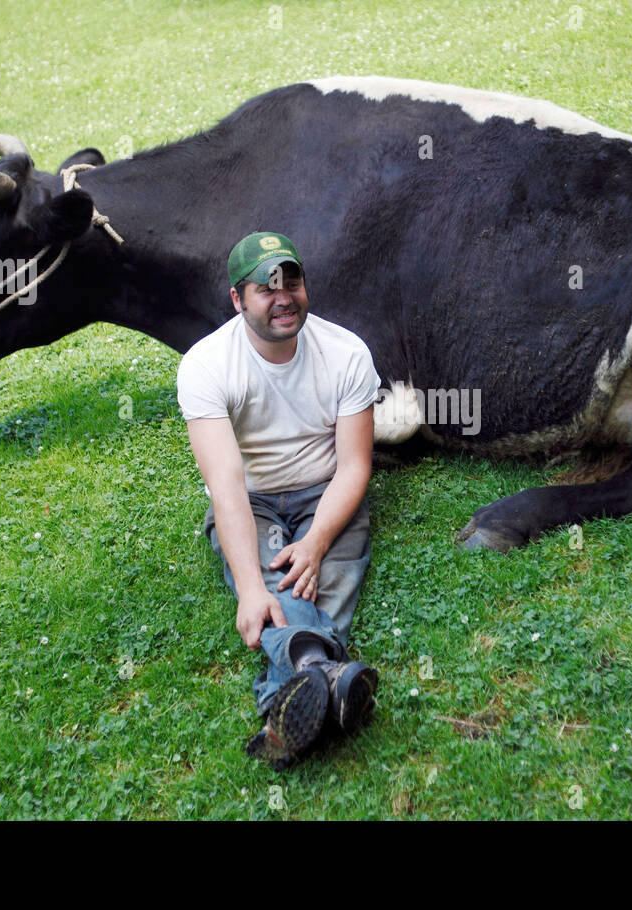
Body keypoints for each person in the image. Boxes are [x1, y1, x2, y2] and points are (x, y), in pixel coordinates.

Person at [177, 231, 381, 771]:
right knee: (273, 586)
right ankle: (327, 676)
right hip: (254, 501)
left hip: (327, 495)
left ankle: (286, 704)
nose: (283, 295)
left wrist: (315, 543)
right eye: (266, 287)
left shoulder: (346, 352)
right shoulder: (206, 365)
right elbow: (225, 485)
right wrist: (247, 588)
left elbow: (356, 465)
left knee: (325, 579)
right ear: (237, 299)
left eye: (291, 280)